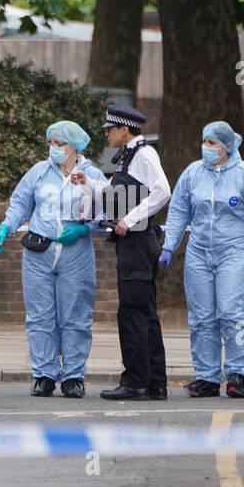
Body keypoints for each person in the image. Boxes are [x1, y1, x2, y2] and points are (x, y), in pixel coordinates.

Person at [159, 121, 244, 398]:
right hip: (198, 252)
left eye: (212, 143)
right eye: (204, 142)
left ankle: (239, 373)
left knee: (232, 311)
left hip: (233, 251)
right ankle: (206, 376)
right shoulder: (193, 173)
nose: (205, 147)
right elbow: (179, 210)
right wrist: (170, 245)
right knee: (202, 317)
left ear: (227, 146)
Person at [0, 121, 107, 397]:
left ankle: (73, 376)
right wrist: (7, 226)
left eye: (59, 143)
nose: (53, 148)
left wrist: (84, 228)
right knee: (40, 316)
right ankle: (44, 374)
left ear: (74, 146)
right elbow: (20, 202)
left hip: (75, 254)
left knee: (75, 315)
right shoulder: (39, 172)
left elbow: (106, 212)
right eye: (50, 143)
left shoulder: (92, 174)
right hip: (39, 252)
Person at [70, 105, 171, 401]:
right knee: (142, 312)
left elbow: (162, 191)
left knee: (133, 313)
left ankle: (136, 382)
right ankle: (154, 383)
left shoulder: (144, 155)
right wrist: (89, 184)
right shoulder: (129, 157)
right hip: (132, 243)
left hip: (138, 243)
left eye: (110, 129)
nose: (107, 133)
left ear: (124, 129)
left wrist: (131, 219)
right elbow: (118, 201)